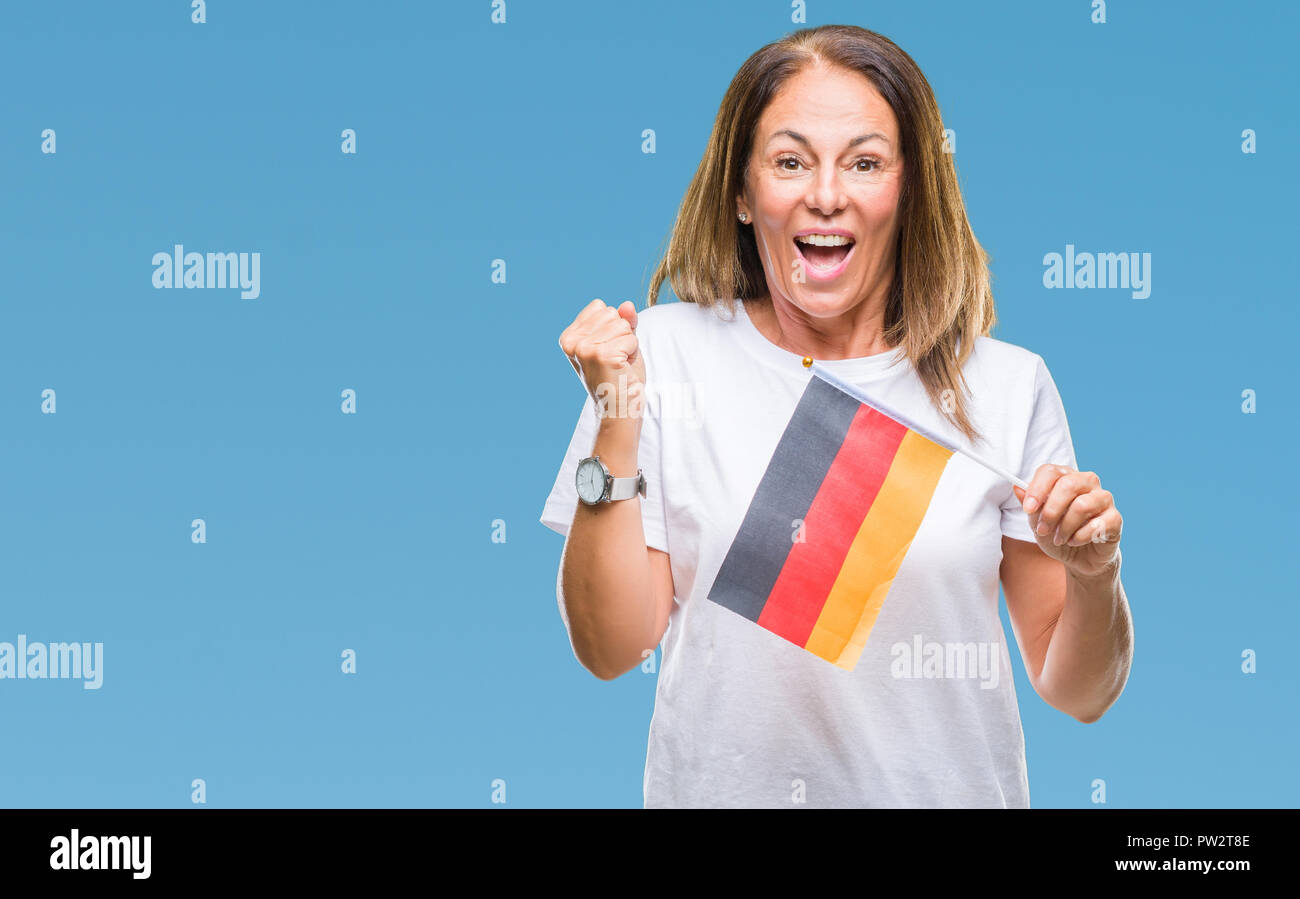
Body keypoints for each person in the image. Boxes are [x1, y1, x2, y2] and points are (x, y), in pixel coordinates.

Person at [539, 24, 1132, 809]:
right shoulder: (661, 358)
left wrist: (1097, 576)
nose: (825, 193)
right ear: (744, 193)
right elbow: (611, 646)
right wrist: (614, 413)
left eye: (864, 162)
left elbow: (1079, 690)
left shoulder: (1006, 386)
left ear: (909, 190)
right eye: (790, 161)